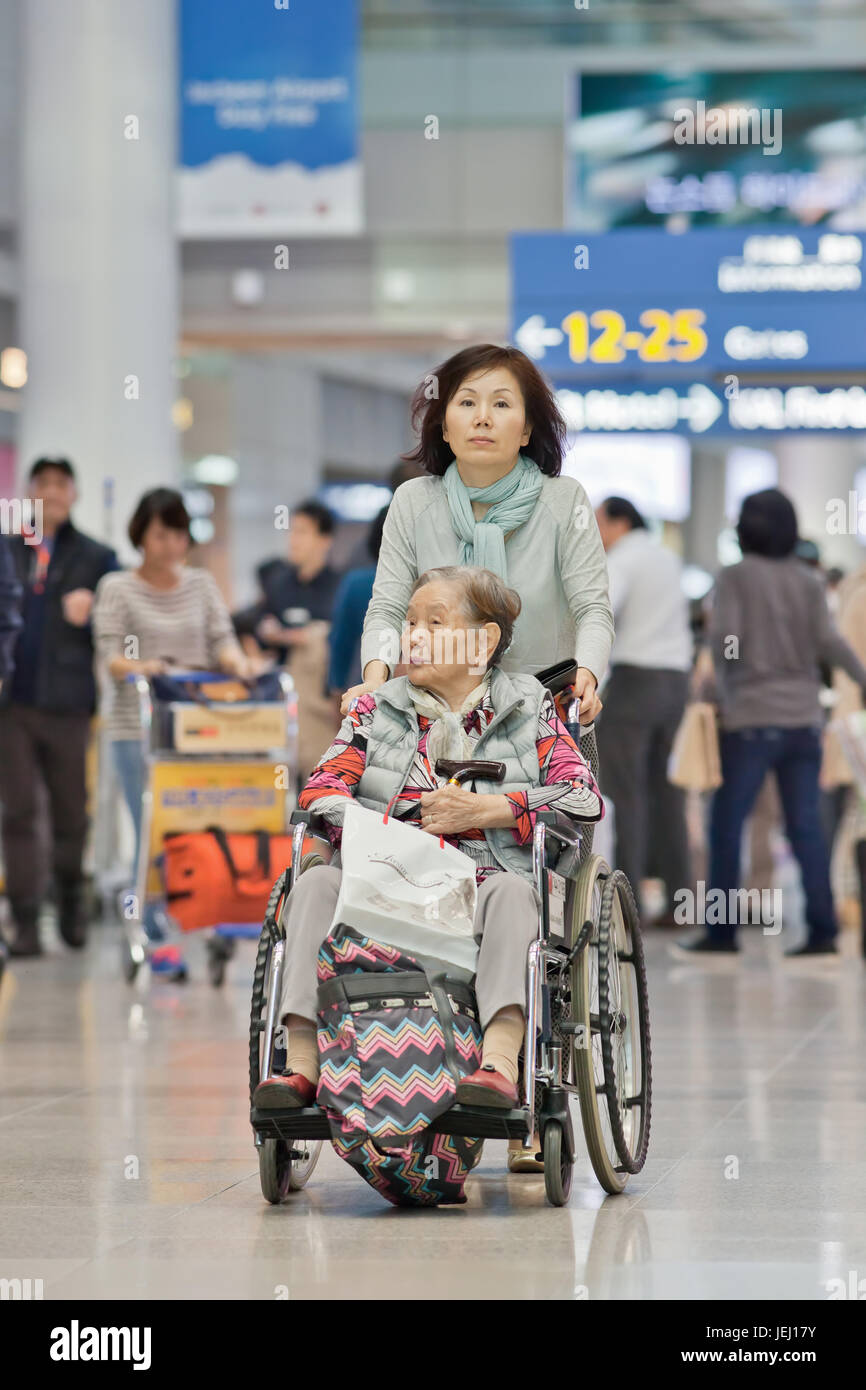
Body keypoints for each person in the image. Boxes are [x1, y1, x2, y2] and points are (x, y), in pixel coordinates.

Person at [253, 566, 602, 1165]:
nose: (411, 636)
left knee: (516, 896)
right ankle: (302, 1066)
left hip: (481, 884)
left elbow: (582, 798)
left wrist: (494, 807)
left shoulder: (532, 707)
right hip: (386, 880)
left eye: (433, 624)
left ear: (484, 641)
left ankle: (498, 1064)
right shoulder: (374, 710)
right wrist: (386, 822)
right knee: (313, 886)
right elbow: (319, 791)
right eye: (408, 623)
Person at [342, 344, 614, 724]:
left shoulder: (564, 500)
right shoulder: (413, 501)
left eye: (502, 405)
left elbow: (593, 609)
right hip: (435, 719)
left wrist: (586, 675)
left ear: (527, 429)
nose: (483, 418)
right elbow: (388, 608)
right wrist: (375, 679)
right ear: (445, 426)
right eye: (467, 403)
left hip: (543, 717)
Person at [678, 488, 866, 957]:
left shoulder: (736, 577)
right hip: (802, 720)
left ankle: (721, 933)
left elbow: (727, 639)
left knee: (727, 823)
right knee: (804, 826)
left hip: (751, 720)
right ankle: (822, 931)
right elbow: (829, 641)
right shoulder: (806, 579)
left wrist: (720, 688)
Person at [92, 488, 255, 977]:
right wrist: (145, 667)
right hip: (136, 730)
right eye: (162, 533)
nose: (171, 544)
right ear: (142, 535)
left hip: (196, 728)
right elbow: (110, 656)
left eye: (179, 533)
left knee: (199, 827)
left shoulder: (201, 585)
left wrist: (237, 663)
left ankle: (206, 921)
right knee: (153, 833)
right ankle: (155, 931)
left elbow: (221, 638)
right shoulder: (117, 587)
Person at [0, 457, 119, 957]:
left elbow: (119, 622)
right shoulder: (8, 548)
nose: (50, 492)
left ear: (74, 493)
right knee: (20, 811)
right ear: (29, 491)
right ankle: (26, 921)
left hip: (70, 704)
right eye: (42, 483)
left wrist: (94, 608)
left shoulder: (97, 556)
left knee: (72, 812)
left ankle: (71, 895)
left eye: (60, 484)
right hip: (13, 703)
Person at [593, 497, 694, 925]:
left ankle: (626, 906)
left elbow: (602, 612)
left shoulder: (623, 558)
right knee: (670, 793)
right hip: (676, 683)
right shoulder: (668, 559)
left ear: (618, 523)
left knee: (624, 792)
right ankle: (679, 903)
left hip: (635, 683)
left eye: (598, 523)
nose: (596, 533)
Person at [255, 500, 341, 659]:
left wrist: (294, 636)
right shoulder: (277, 583)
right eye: (291, 531)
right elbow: (262, 626)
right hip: (281, 674)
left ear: (325, 540)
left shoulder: (339, 587)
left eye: (302, 532)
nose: (293, 539)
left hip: (321, 677)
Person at [327, 505, 389, 694]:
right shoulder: (435, 586)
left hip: (366, 688)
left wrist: (337, 690)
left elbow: (340, 646)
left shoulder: (357, 584)